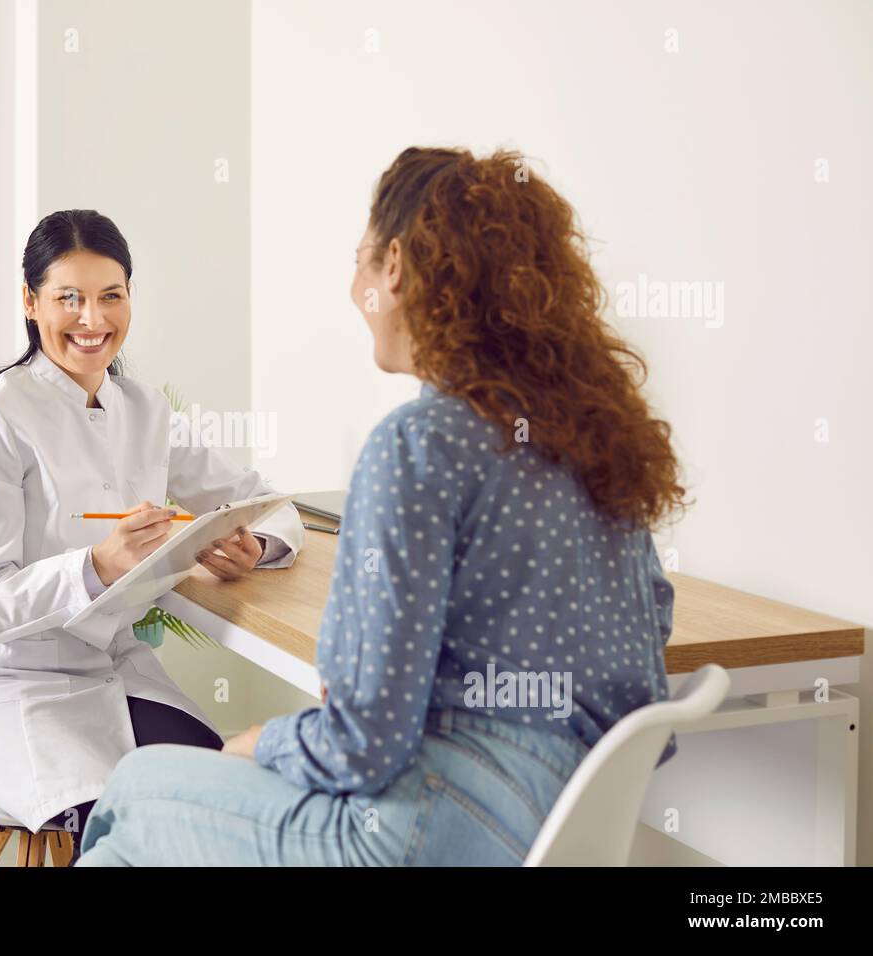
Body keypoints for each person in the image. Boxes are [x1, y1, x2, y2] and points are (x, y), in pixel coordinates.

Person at [77, 147, 688, 866]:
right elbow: (651, 629)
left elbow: (366, 743)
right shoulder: (596, 436)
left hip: (435, 826)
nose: (354, 283)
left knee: (132, 791)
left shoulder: (420, 445)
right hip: (570, 827)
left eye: (360, 257)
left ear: (393, 266)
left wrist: (262, 742)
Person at [0, 209, 304, 860]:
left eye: (110, 296)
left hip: (109, 671)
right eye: (69, 299)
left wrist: (257, 545)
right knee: (130, 828)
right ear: (30, 303)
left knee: (226, 799)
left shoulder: (145, 409)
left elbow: (258, 500)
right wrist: (96, 566)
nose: (93, 320)